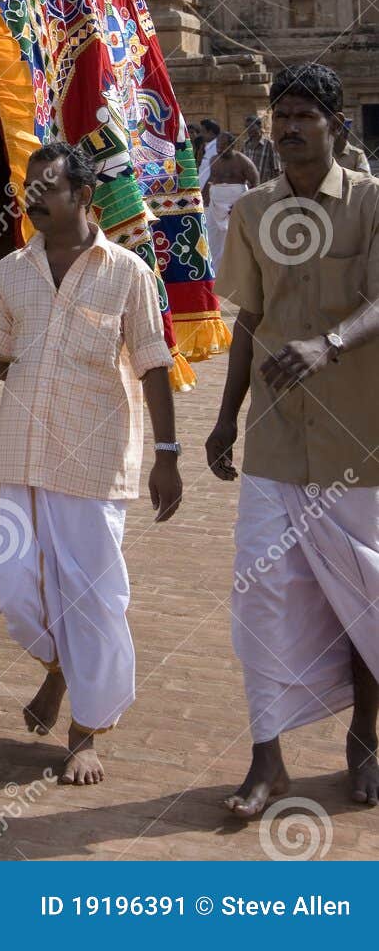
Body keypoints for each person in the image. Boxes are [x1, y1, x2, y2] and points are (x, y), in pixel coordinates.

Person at [0, 140, 182, 786]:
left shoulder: (127, 272)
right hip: (22, 455)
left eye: (45, 188)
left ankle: (86, 731)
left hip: (94, 461)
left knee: (93, 600)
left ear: (83, 196)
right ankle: (58, 669)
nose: (31, 200)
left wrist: (167, 455)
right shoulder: (10, 273)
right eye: (27, 189)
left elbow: (153, 363)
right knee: (19, 594)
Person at [206, 62, 379, 816]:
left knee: (365, 598)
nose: (288, 127)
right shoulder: (250, 213)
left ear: (336, 125)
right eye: (280, 115)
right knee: (261, 594)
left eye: (305, 114)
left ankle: (366, 739)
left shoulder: (371, 204)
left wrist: (327, 343)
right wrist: (220, 417)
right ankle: (265, 758)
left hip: (358, 437)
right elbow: (247, 318)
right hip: (274, 438)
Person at [203, 131, 259, 272]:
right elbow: (211, 180)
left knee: (237, 239)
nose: (219, 148)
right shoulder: (213, 160)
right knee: (212, 238)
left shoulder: (243, 161)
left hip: (236, 204)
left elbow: (255, 183)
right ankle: (216, 272)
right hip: (215, 205)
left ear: (232, 145)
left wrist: (242, 204)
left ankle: (239, 272)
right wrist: (205, 201)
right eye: (217, 145)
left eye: (223, 145)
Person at [241, 112, 280, 184]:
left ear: (259, 126)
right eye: (246, 127)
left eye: (251, 127)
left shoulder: (270, 145)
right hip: (248, 188)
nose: (248, 130)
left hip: (264, 187)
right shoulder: (245, 145)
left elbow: (276, 170)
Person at [196, 117, 221, 189]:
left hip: (210, 190)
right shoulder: (206, 147)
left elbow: (215, 172)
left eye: (203, 131)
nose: (201, 134)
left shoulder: (217, 148)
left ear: (211, 132)